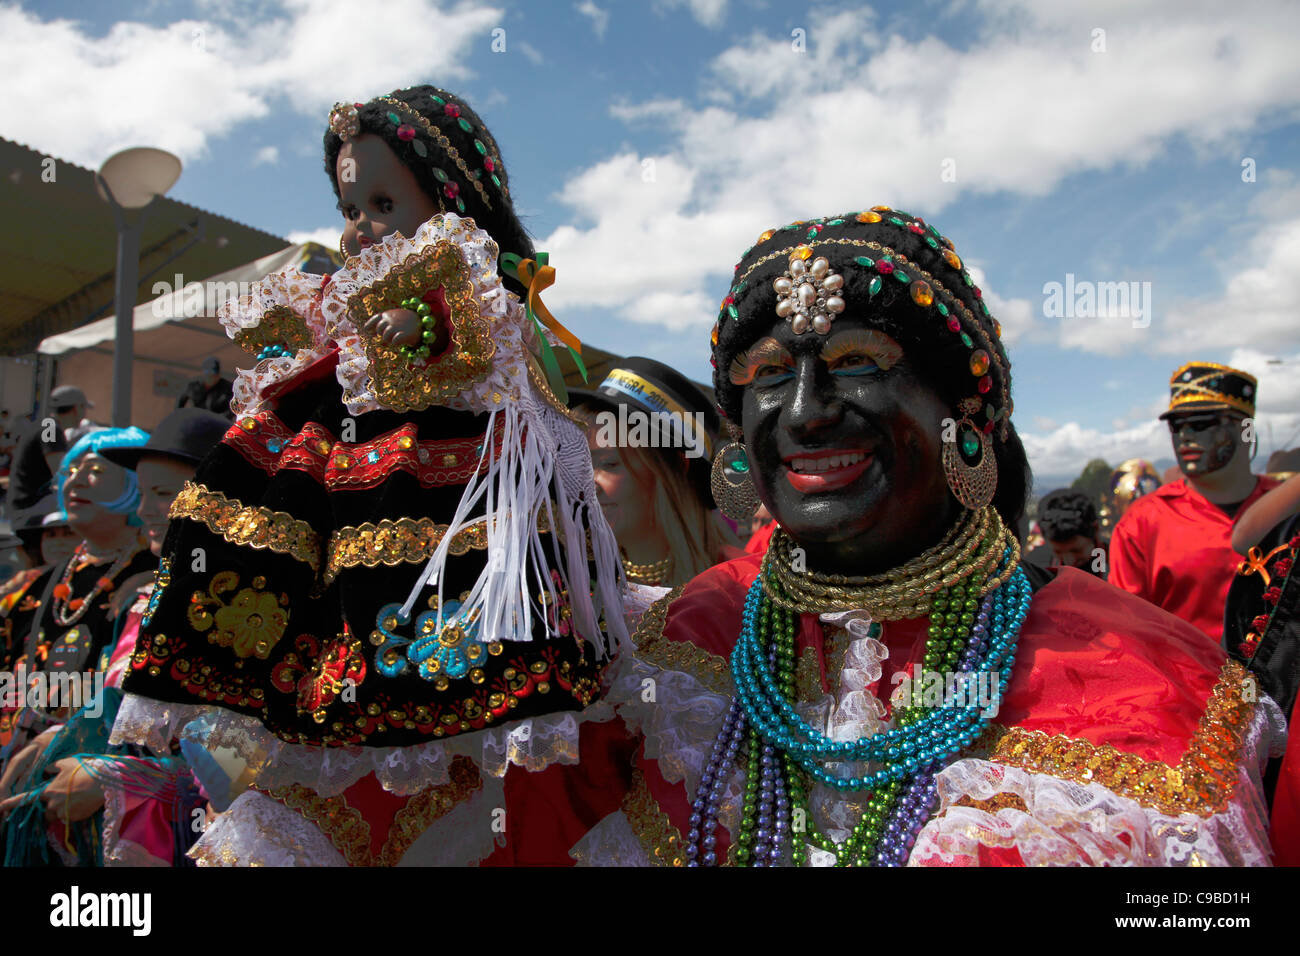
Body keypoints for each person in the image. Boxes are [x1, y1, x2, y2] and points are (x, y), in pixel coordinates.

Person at [572, 208, 1281, 866]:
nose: (805, 412)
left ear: (966, 412)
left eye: (856, 361)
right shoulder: (677, 643)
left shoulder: (1149, 679)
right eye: (768, 374)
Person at [111, 86, 630, 866]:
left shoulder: (467, 279)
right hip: (338, 455)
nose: (360, 226)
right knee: (280, 538)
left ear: (455, 200)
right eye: (350, 205)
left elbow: (476, 336)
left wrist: (413, 320)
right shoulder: (344, 296)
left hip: (435, 464)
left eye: (383, 200)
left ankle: (441, 683)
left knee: (421, 573)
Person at [0, 409, 231, 867]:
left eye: (163, 494)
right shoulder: (147, 598)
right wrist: (60, 738)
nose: (146, 509)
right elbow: (112, 710)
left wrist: (120, 783)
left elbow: (243, 772)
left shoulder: (247, 612)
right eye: (143, 493)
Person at [0, 429, 156, 758]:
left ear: (136, 485)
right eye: (71, 471)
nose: (77, 480)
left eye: (95, 471)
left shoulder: (156, 578)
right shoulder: (29, 584)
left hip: (87, 770)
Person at [1109, 364, 1278, 642]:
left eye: (1201, 423)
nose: (1185, 435)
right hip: (1183, 683)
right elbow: (1127, 633)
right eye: (1177, 425)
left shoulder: (1287, 511)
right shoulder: (1142, 523)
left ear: (1245, 428)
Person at [572, 357, 741, 587]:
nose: (585, 483)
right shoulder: (571, 584)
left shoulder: (741, 589)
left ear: (677, 470)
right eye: (581, 463)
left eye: (609, 464)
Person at [5, 386, 94, 524]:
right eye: (84, 409)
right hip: (30, 507)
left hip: (24, 506)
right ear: (77, 408)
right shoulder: (50, 428)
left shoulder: (46, 424)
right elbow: (61, 472)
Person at [1032, 488, 1105, 577]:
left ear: (1096, 530)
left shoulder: (1117, 561)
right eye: (1058, 552)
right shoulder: (1036, 568)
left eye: (1076, 551)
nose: (1069, 561)